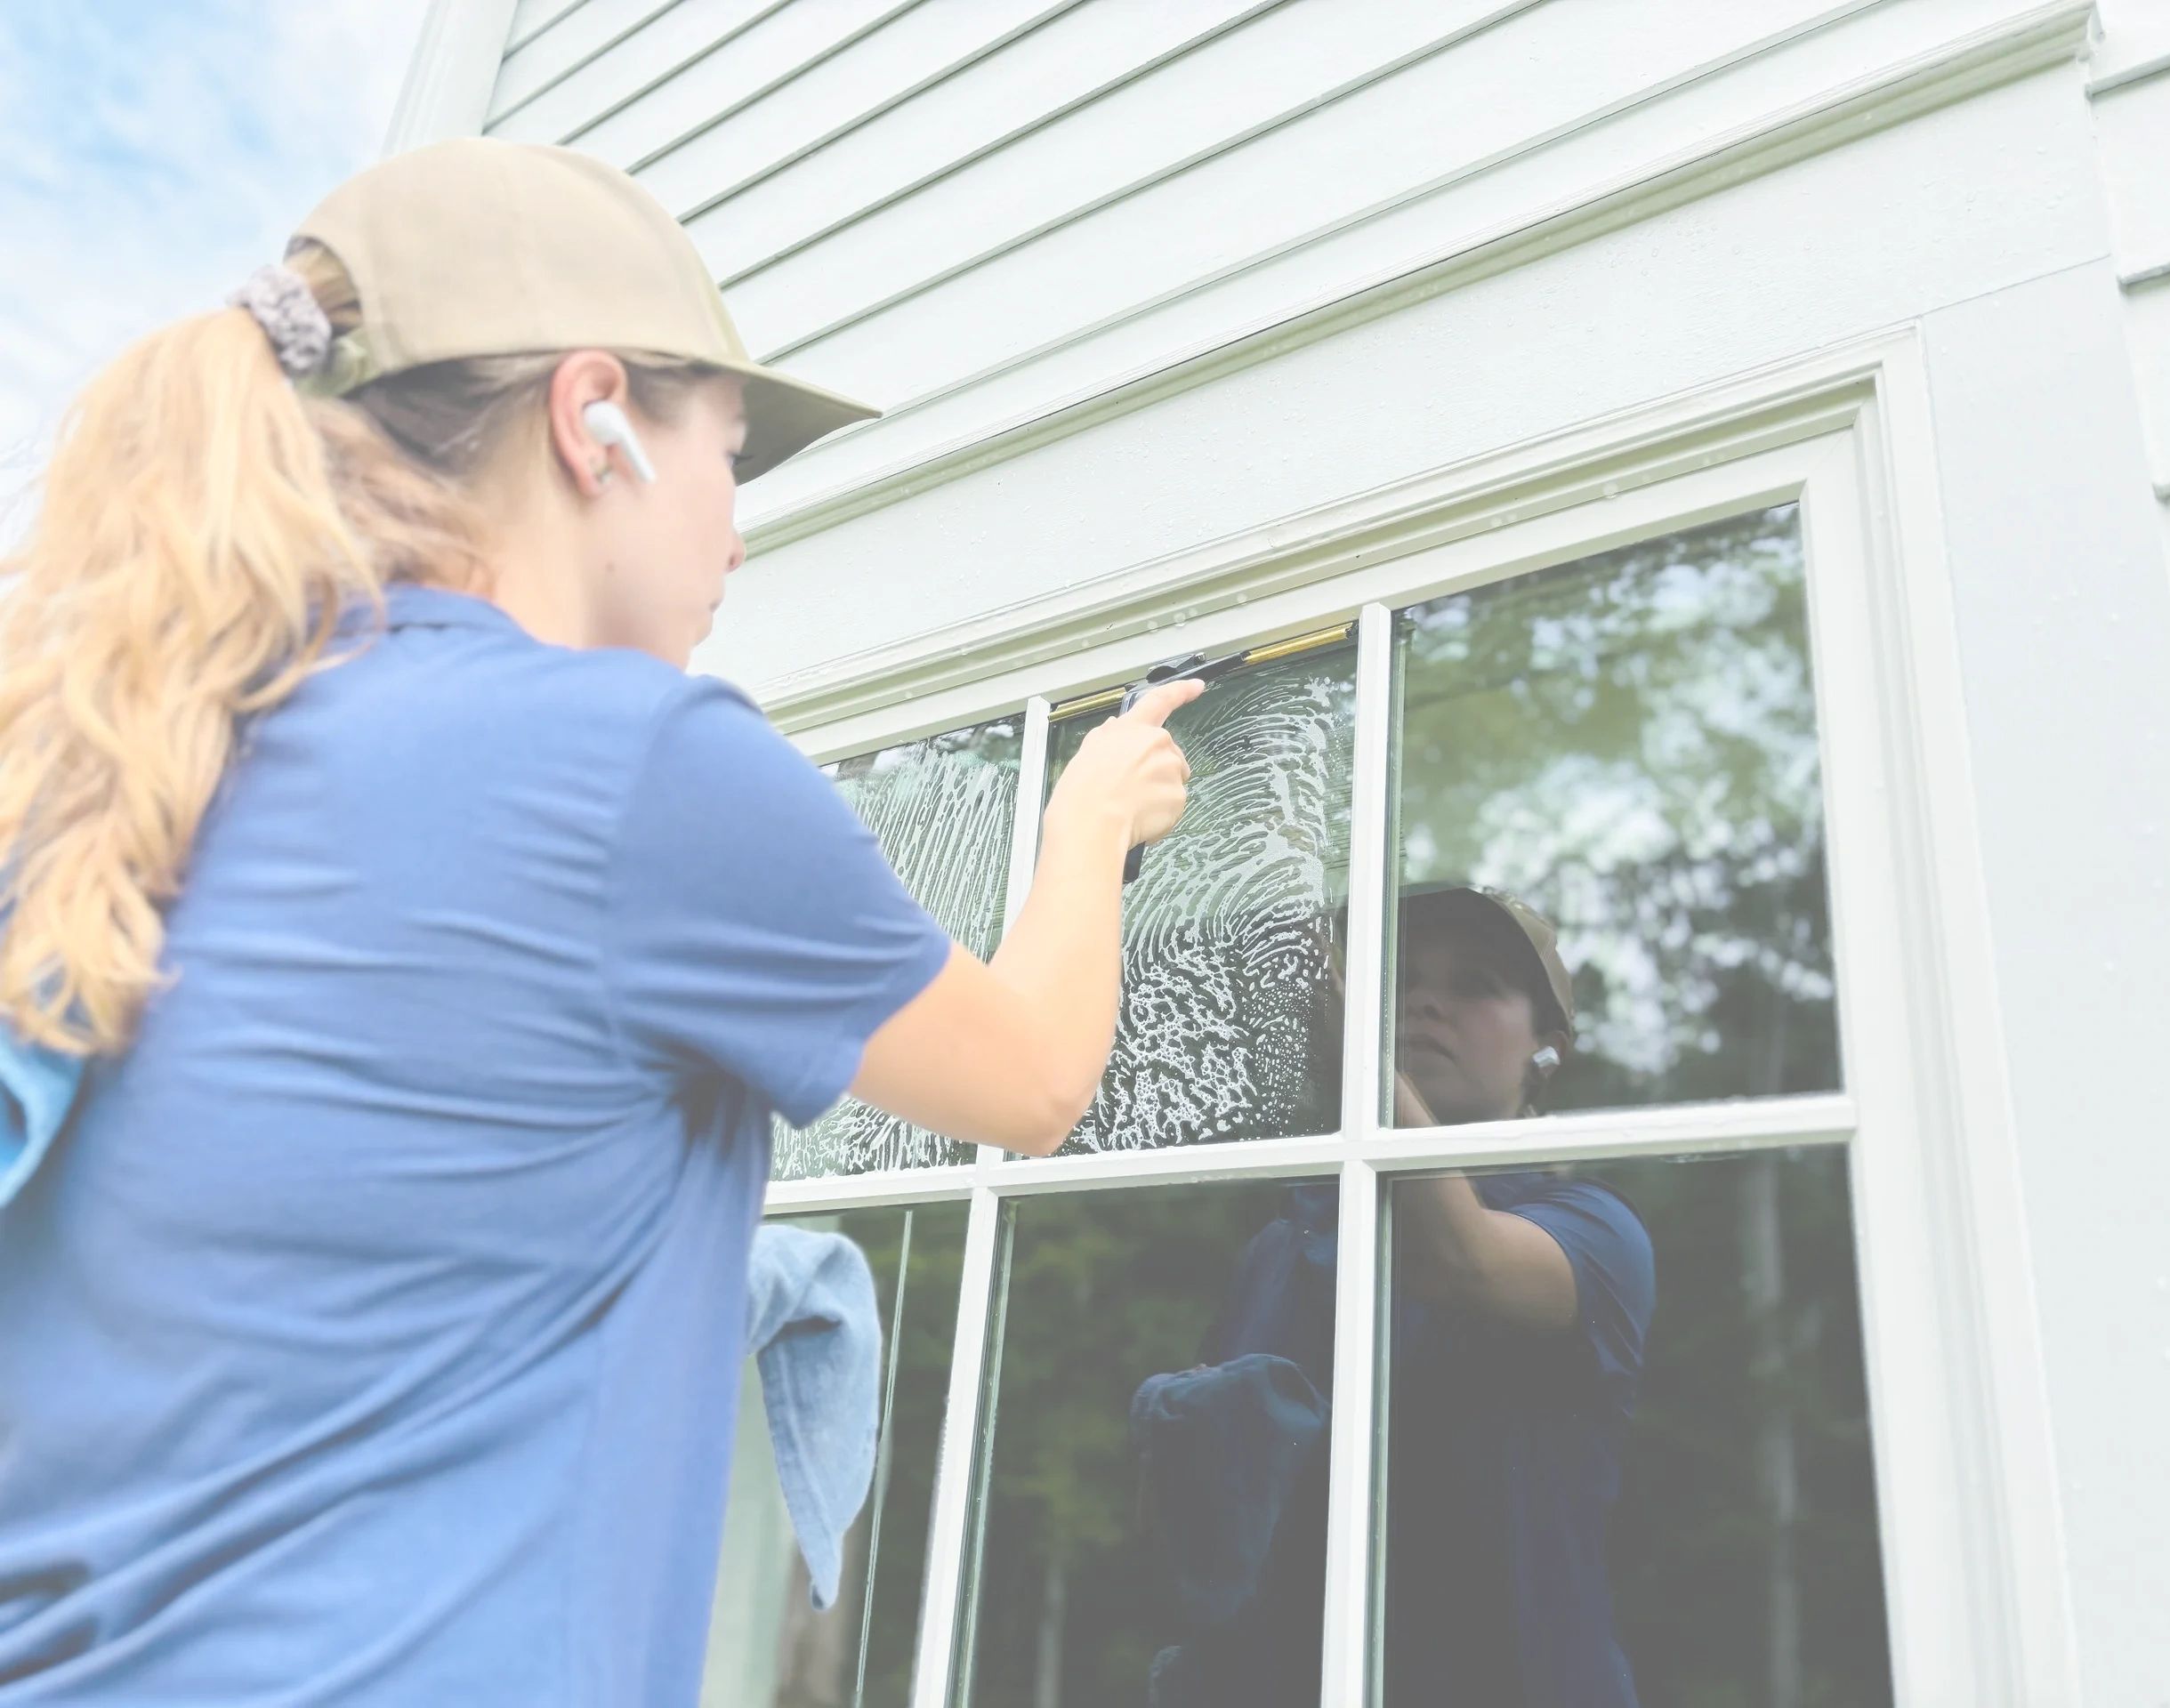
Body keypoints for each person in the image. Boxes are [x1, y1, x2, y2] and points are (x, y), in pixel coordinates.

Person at [0, 139, 1199, 1704]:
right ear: (596, 423)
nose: (740, 531)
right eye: (730, 451)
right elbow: (1036, 1075)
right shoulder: (641, 768)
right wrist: (1093, 812)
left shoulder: (128, 775)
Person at [1145, 884, 1655, 1707]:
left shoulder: (1594, 1230)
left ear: (1547, 1050)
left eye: (1477, 983)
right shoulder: (1280, 1246)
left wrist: (1359, 1060)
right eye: (1399, 975)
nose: (1423, 1000)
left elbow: (1462, 1259)